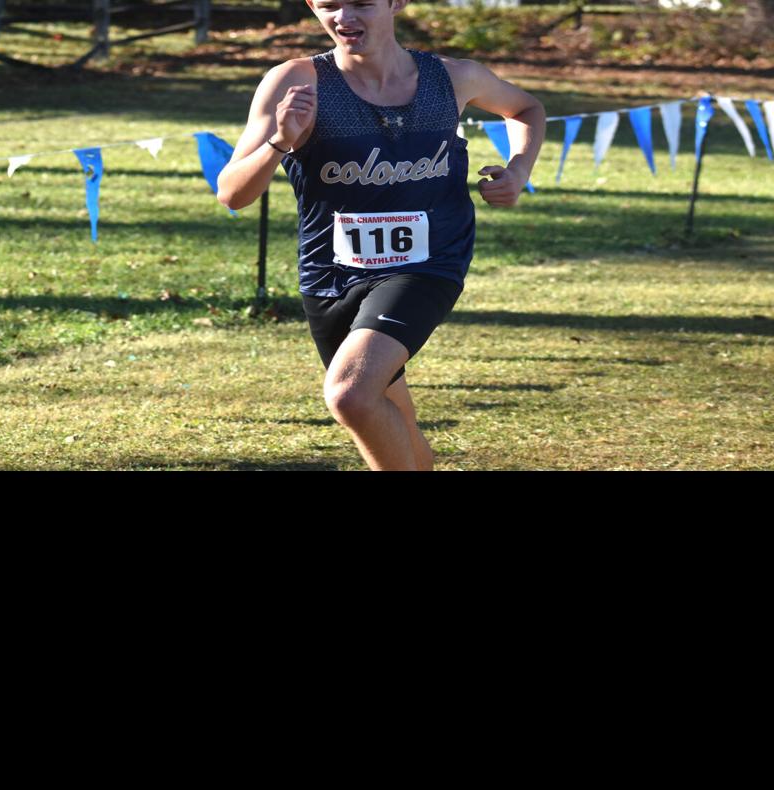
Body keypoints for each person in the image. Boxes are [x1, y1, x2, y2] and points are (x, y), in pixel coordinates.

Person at [217, 0, 545, 470]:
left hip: (427, 264)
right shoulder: (295, 81)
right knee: (395, 418)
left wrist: (518, 171)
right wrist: (280, 144)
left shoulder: (451, 77)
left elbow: (525, 108)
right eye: (329, 5)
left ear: (396, 3)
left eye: (363, 4)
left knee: (351, 395)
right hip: (330, 275)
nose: (344, 18)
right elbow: (232, 194)